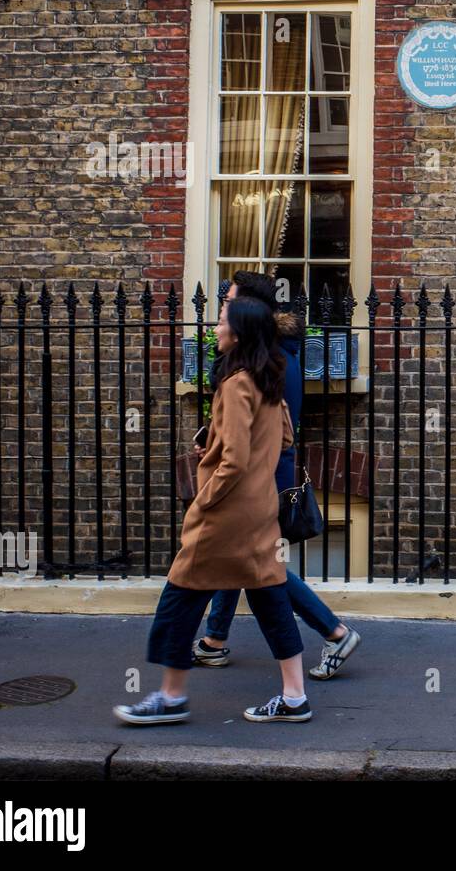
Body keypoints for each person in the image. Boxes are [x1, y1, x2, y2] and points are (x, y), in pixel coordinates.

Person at [115, 296, 311, 724]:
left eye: (221, 321)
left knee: (180, 595)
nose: (215, 328)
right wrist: (227, 442)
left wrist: (204, 499)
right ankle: (294, 696)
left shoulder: (237, 382)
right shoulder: (269, 379)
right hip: (261, 510)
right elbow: (286, 439)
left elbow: (235, 460)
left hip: (226, 513)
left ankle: (170, 696)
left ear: (238, 332)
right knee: (271, 598)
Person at [192, 271, 361, 681]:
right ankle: (214, 639)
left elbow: (275, 429)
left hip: (261, 477)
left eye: (230, 303)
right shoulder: (265, 353)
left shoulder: (276, 357)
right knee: (241, 555)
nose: (222, 311)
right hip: (255, 474)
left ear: (251, 309)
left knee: (260, 561)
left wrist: (224, 474)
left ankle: (334, 632)